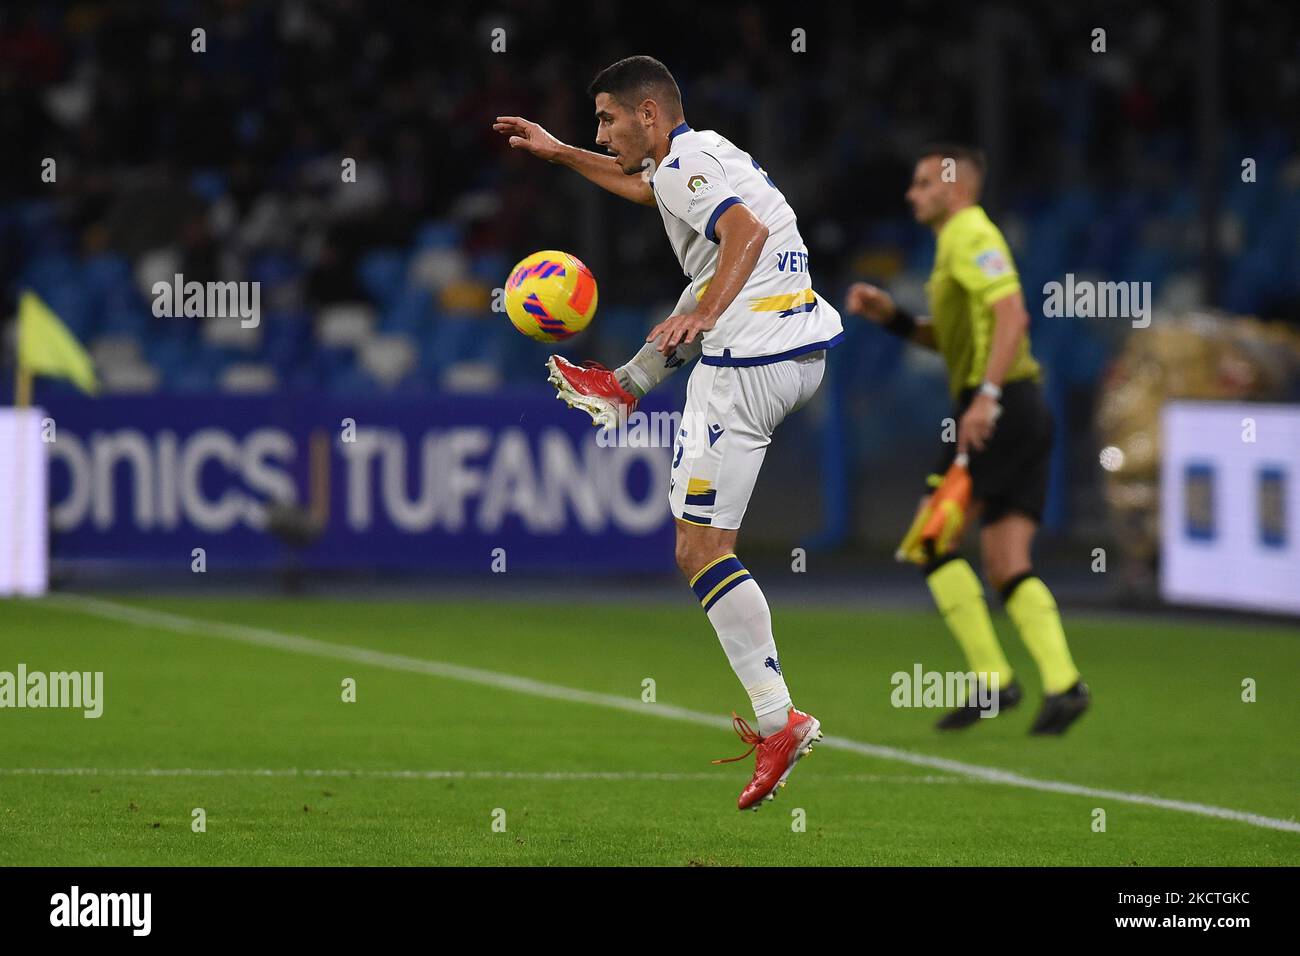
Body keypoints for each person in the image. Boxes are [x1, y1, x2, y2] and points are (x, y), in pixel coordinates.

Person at [493, 55, 844, 808]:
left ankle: (781, 721)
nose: (602, 132)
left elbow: (743, 230)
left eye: (606, 119)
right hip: (797, 346)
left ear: (647, 115)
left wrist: (708, 315)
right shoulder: (703, 154)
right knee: (698, 282)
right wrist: (561, 153)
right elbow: (639, 184)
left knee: (698, 548)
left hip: (746, 360)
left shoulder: (687, 164)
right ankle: (622, 387)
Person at [845, 145, 1089, 734]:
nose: (912, 194)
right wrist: (894, 318)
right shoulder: (954, 243)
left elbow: (1013, 317)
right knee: (1006, 562)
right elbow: (958, 341)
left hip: (998, 409)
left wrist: (986, 398)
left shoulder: (969, 232)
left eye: (923, 183)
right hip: (1023, 407)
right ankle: (1063, 685)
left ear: (953, 188)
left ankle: (994, 682)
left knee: (932, 539)